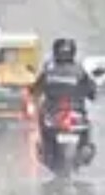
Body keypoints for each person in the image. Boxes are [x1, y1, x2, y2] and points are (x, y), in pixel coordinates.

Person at [31, 38, 97, 167]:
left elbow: (35, 90)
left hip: (53, 114)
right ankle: (84, 148)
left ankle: (48, 151)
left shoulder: (49, 69)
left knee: (44, 127)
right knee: (87, 127)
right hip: (72, 114)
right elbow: (92, 91)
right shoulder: (79, 70)